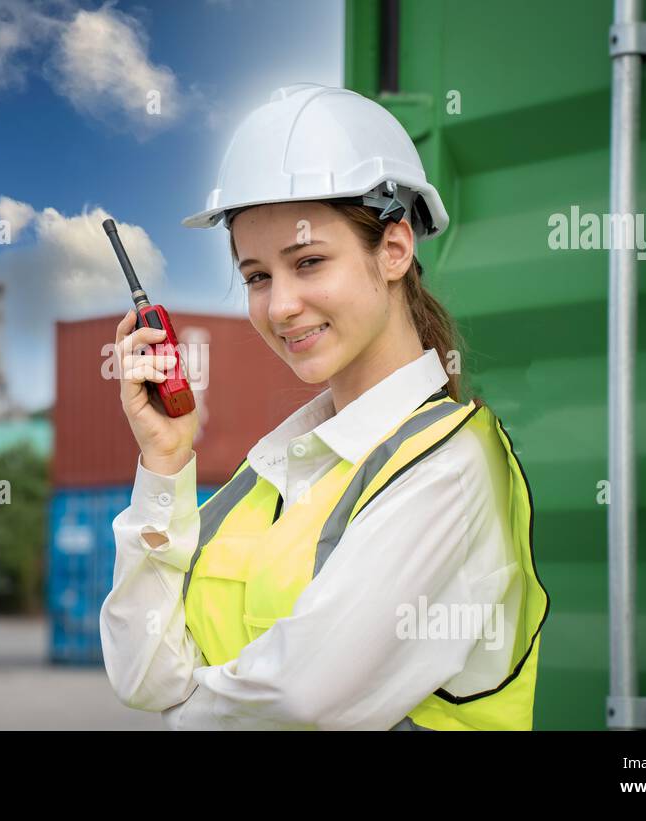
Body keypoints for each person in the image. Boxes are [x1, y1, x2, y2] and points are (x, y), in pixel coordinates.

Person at [100, 83, 549, 730]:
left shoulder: (454, 468)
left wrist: (187, 705)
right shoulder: (270, 476)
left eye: (308, 261)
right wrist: (165, 463)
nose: (279, 305)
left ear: (394, 249)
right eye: (257, 276)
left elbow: (303, 700)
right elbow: (143, 672)